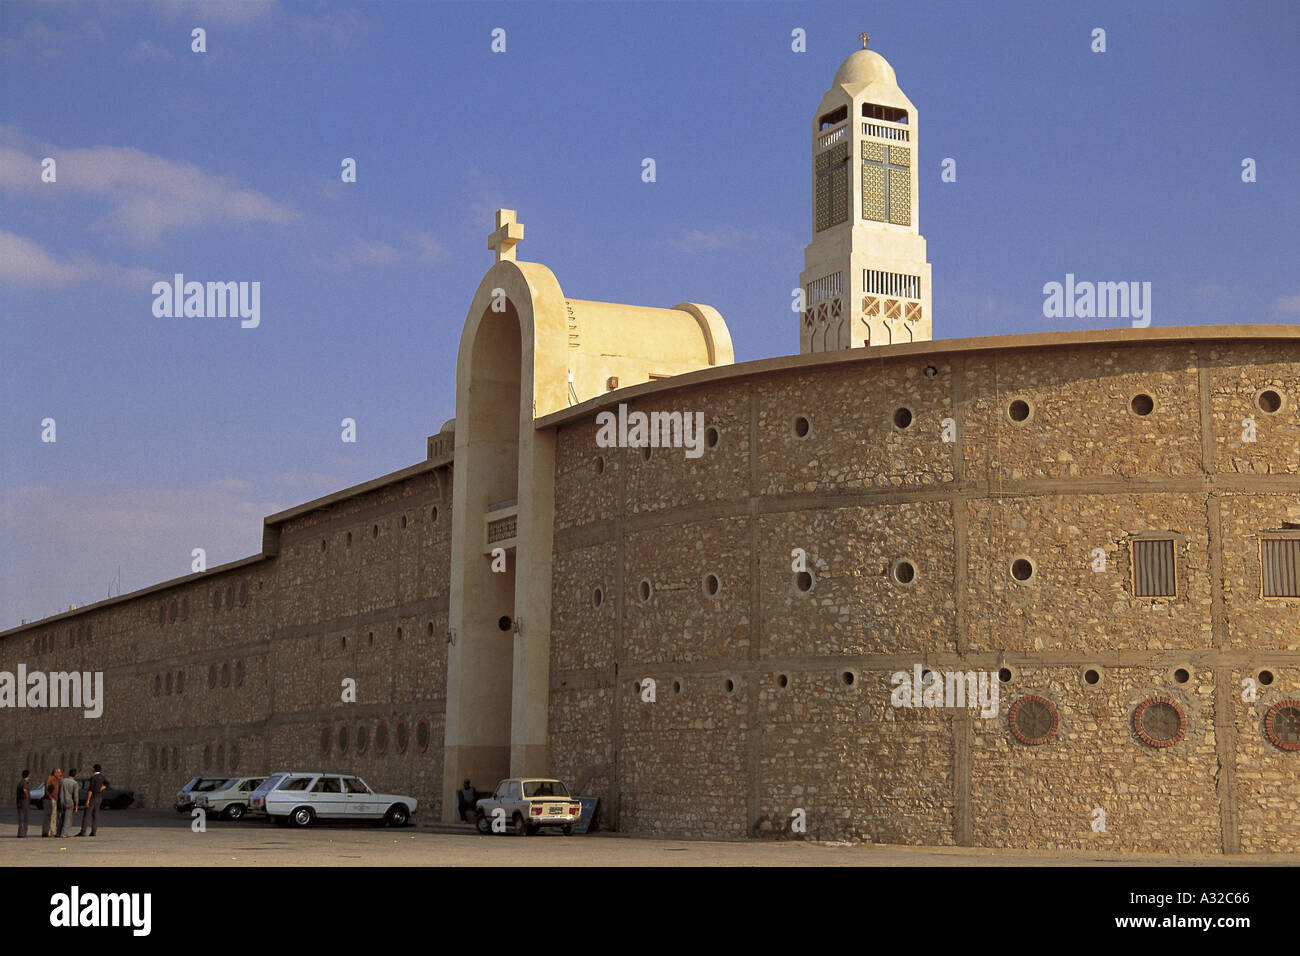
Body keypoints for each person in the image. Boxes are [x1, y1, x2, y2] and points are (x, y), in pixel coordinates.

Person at [76, 764, 107, 837]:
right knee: (96, 815)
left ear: (94, 769)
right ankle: (93, 831)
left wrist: (88, 800)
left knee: (87, 814)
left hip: (93, 797)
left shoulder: (93, 778)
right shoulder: (102, 777)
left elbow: (90, 789)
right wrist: (101, 789)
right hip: (99, 797)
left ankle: (83, 831)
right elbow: (107, 784)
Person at [57, 768, 80, 838]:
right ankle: (64, 833)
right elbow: (75, 796)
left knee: (61, 818)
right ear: (75, 775)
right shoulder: (75, 783)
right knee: (67, 819)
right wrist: (76, 805)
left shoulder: (62, 781)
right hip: (69, 802)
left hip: (61, 801)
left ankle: (58, 832)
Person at [42, 768, 61, 837]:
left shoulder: (56, 779)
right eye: (59, 773)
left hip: (54, 799)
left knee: (53, 816)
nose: (60, 774)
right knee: (50, 816)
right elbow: (47, 789)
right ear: (55, 773)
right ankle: (49, 832)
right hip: (50, 800)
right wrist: (51, 797)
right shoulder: (50, 779)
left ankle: (50, 831)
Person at [16, 770, 31, 838]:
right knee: (24, 818)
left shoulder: (20, 782)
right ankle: (23, 833)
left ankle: (20, 833)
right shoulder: (25, 782)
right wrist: (27, 796)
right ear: (28, 775)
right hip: (24, 802)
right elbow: (24, 790)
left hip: (20, 802)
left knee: (21, 818)